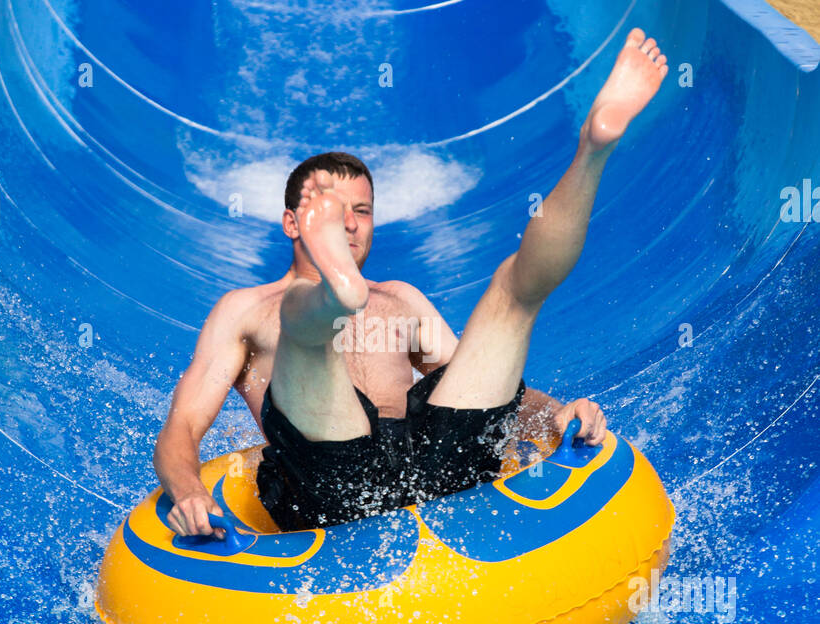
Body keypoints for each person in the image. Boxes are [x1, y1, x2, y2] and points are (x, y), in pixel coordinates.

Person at [155, 28, 668, 534]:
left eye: (362, 211)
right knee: (305, 331)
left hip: (433, 463)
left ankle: (594, 147)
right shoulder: (244, 310)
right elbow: (182, 427)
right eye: (334, 213)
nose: (353, 223)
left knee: (513, 294)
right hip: (331, 476)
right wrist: (189, 489)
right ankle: (332, 300)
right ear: (292, 224)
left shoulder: (401, 299)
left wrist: (558, 413)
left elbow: (489, 386)